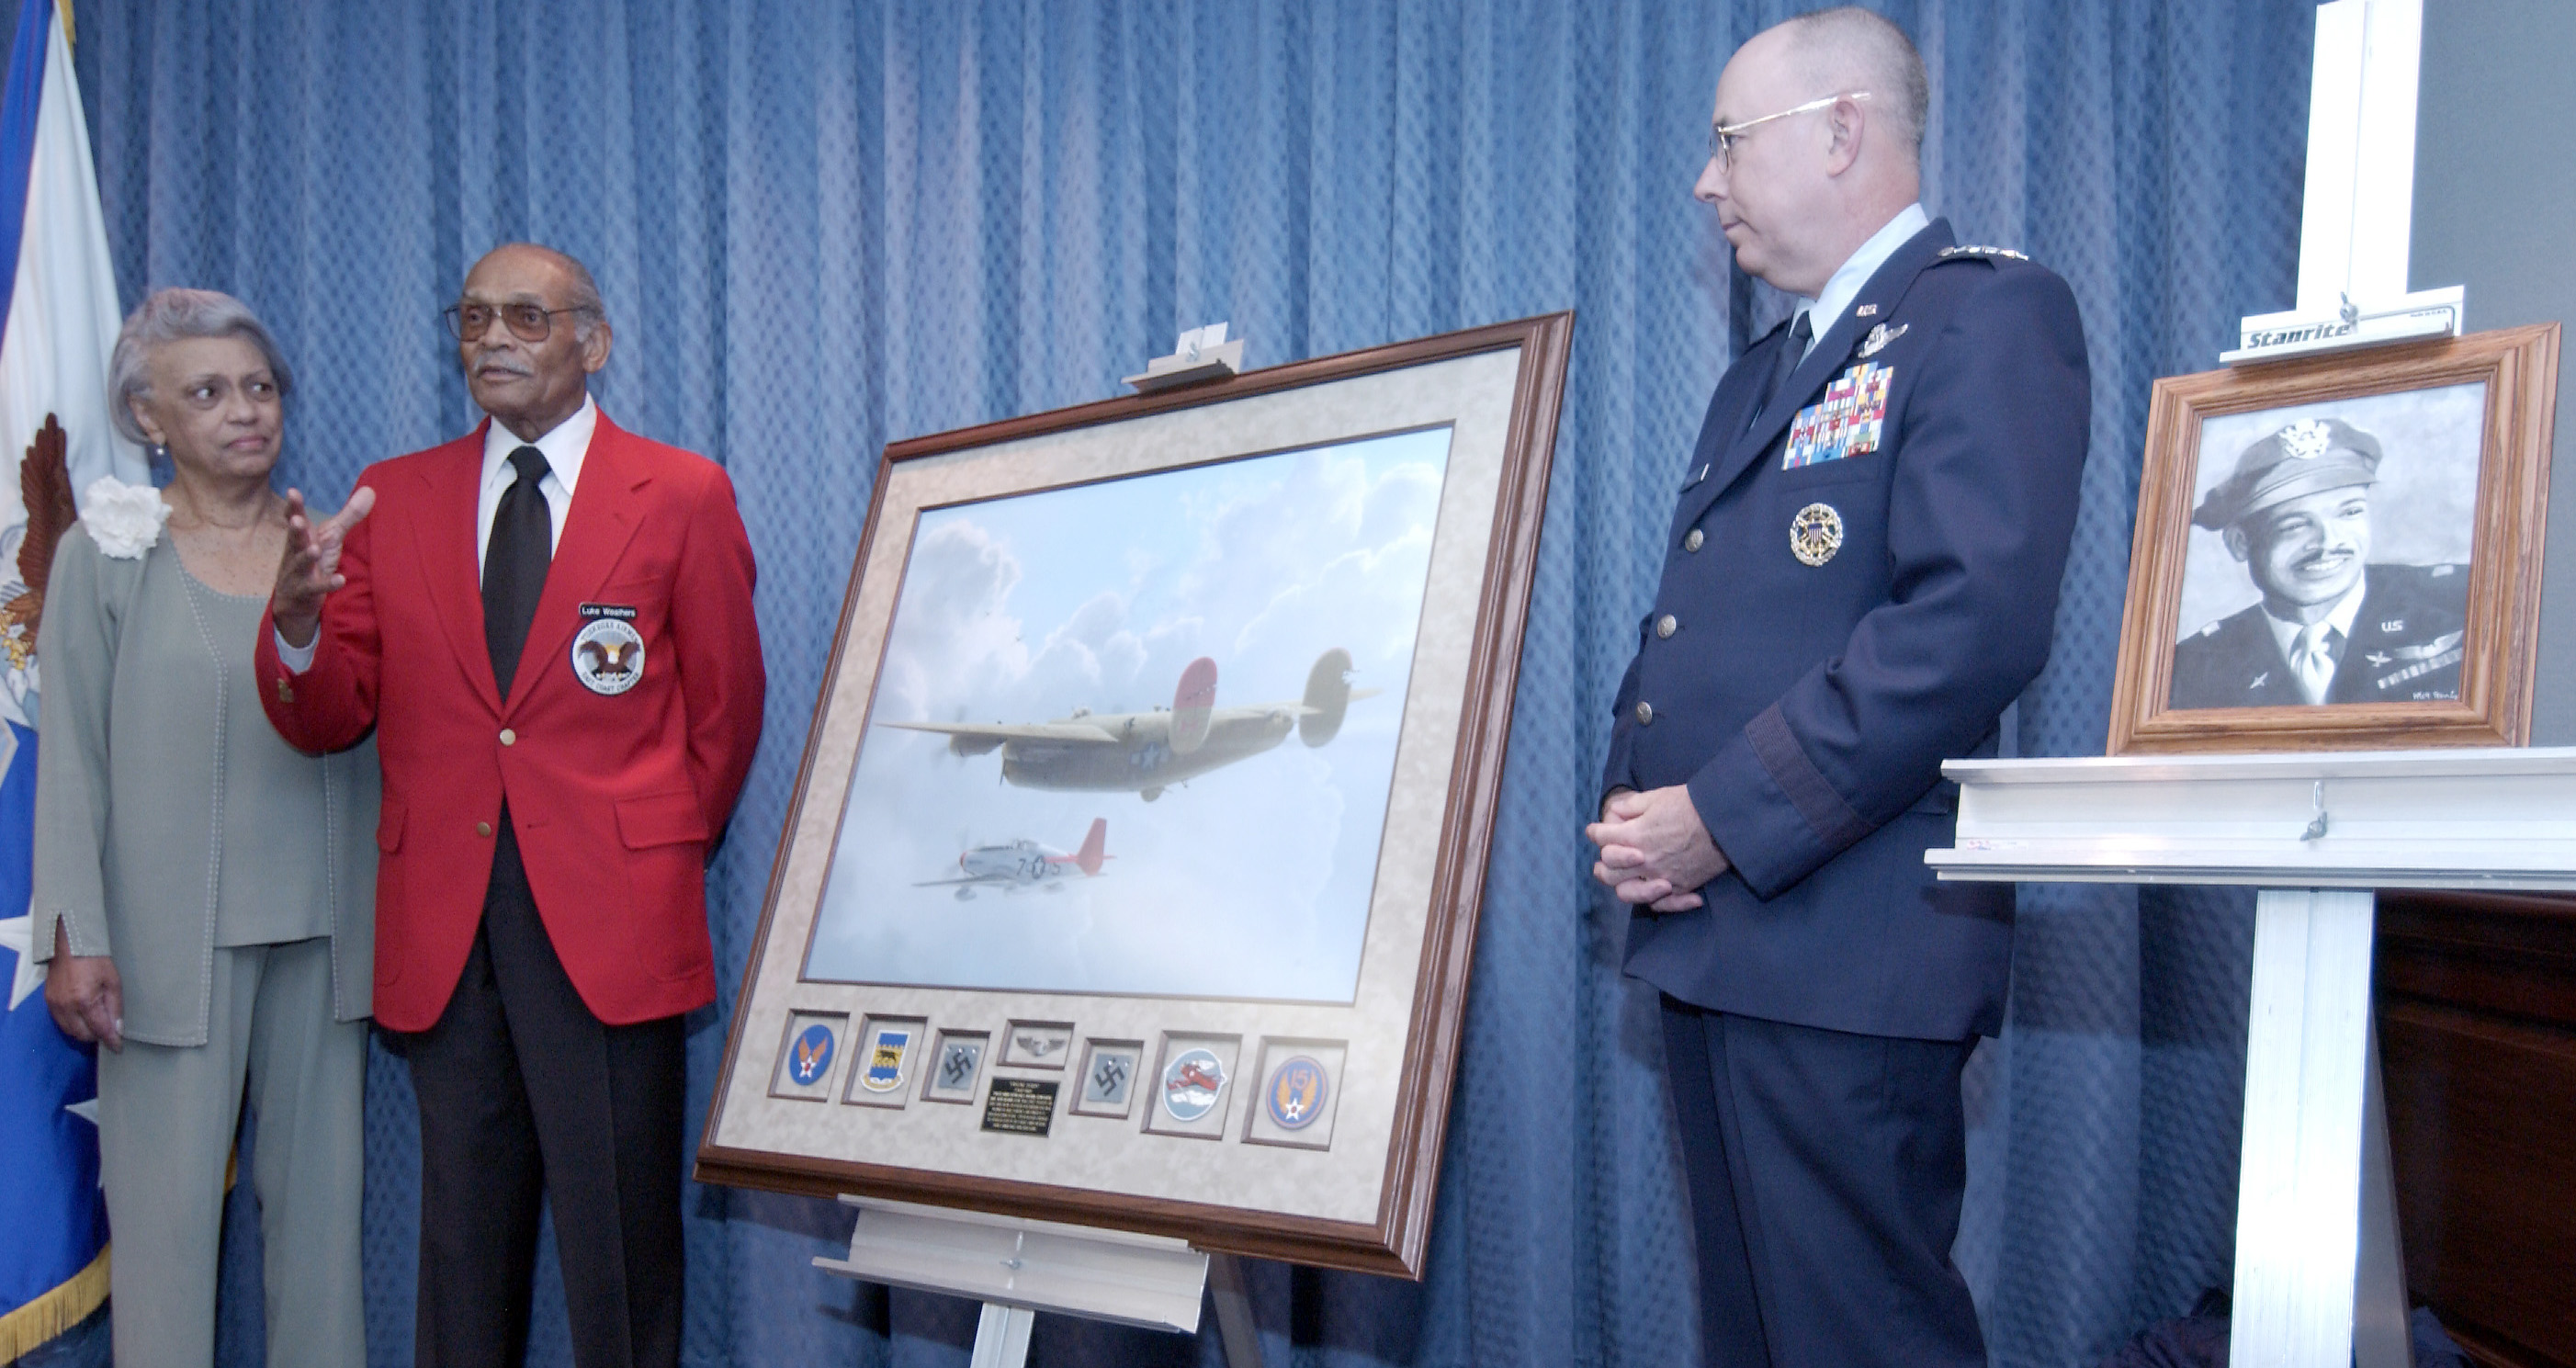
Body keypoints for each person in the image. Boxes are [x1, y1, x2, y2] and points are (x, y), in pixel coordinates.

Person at [1584, 9, 2090, 1365]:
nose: (1705, 182)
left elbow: (1968, 626)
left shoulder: (1983, 314)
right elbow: (1697, 612)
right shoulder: (1767, 368)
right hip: (1715, 930)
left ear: (1841, 132)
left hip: (1846, 950)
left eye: (1729, 142)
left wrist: (1717, 816)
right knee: (1755, 1338)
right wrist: (1637, 805)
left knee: (1859, 1336)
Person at [255, 243, 765, 1368]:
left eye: (527, 317)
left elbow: (724, 713)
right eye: (474, 316)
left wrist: (643, 846)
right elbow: (330, 712)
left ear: (594, 341)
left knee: (620, 1255)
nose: (492, 337)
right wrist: (294, 624)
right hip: (446, 927)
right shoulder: (395, 496)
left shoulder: (680, 492)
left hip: (610, 925)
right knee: (462, 1256)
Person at [32, 288, 377, 1366]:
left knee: (324, 1237)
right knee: (168, 1241)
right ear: (148, 417)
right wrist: (75, 932)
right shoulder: (106, 555)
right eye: (209, 392)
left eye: (260, 387)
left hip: (327, 933)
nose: (246, 411)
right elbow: (72, 758)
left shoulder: (335, 550)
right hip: (160, 952)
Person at [2168, 416, 2467, 708]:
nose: (2328, 542)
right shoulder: (2195, 668)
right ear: (2240, 543)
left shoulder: (2458, 603)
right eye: (2295, 525)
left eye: (2349, 513)